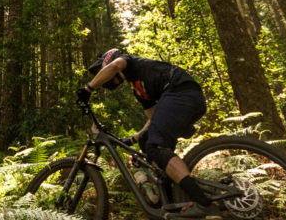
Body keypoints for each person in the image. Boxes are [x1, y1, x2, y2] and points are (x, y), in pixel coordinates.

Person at [76, 48, 220, 219]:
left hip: (181, 92)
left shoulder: (128, 62)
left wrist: (88, 88)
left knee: (154, 147)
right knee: (147, 141)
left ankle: (203, 203)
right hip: (185, 98)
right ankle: (174, 202)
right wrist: (132, 139)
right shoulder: (138, 90)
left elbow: (115, 66)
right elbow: (152, 120)